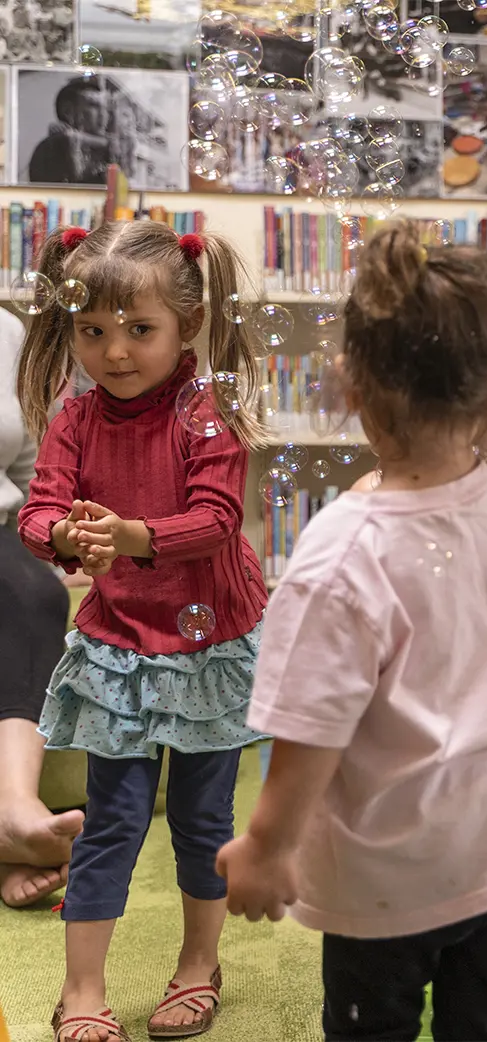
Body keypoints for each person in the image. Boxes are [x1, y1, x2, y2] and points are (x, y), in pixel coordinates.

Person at [216, 221, 487, 1042]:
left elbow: (311, 727)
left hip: (393, 869)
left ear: (348, 381)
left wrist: (267, 846)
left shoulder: (342, 549)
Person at [15, 222, 270, 1042]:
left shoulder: (209, 412)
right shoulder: (77, 417)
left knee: (203, 820)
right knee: (113, 819)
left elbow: (218, 518)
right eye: (92, 331)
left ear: (187, 324)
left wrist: (130, 537)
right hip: (120, 647)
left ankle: (199, 965)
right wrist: (61, 535)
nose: (114, 351)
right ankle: (80, 990)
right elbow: (41, 504)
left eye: (138, 330)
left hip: (209, 645)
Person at [0, 305, 82, 910]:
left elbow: (33, 465)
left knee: (34, 594)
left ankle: (13, 810)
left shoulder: (7, 332)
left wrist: (48, 543)